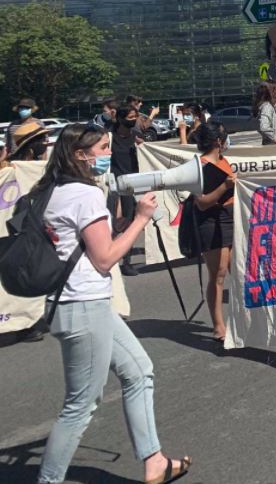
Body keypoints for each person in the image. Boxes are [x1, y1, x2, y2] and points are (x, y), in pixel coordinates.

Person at [36, 123, 191, 484]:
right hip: (84, 305)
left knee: (138, 371)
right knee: (80, 405)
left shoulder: (54, 190)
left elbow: (87, 244)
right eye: (103, 148)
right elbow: (105, 259)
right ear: (80, 155)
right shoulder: (84, 194)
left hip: (77, 304)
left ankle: (154, 461)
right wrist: (139, 219)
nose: (109, 153)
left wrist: (120, 223)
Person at [190, 122, 236, 341]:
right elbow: (202, 202)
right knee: (218, 274)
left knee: (238, 270)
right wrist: (225, 187)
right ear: (218, 141)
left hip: (231, 219)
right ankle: (218, 325)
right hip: (210, 222)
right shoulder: (198, 167)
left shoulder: (224, 161)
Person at [109, 105, 143, 276]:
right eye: (130, 117)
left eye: (134, 117)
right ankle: (107, 254)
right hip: (114, 186)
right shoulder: (109, 138)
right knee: (113, 223)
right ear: (121, 118)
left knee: (129, 222)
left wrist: (143, 148)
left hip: (131, 185)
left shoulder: (135, 138)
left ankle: (126, 261)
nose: (133, 120)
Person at [253, 81, 276, 145]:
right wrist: (275, 138)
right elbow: (263, 127)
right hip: (272, 145)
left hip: (275, 144)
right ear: (271, 92)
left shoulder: (273, 106)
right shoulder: (267, 106)